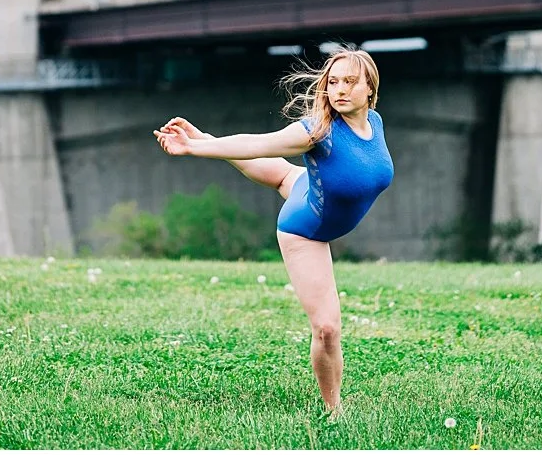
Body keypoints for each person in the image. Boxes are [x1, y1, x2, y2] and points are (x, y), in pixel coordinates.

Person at [154, 47, 394, 417]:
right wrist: (195, 148)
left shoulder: (373, 122)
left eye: (350, 82)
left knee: (283, 174)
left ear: (370, 89)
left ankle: (207, 138)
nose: (340, 90)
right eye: (333, 82)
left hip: (308, 185)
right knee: (327, 329)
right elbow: (258, 143)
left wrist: (204, 139)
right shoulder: (317, 131)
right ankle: (333, 411)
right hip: (306, 227)